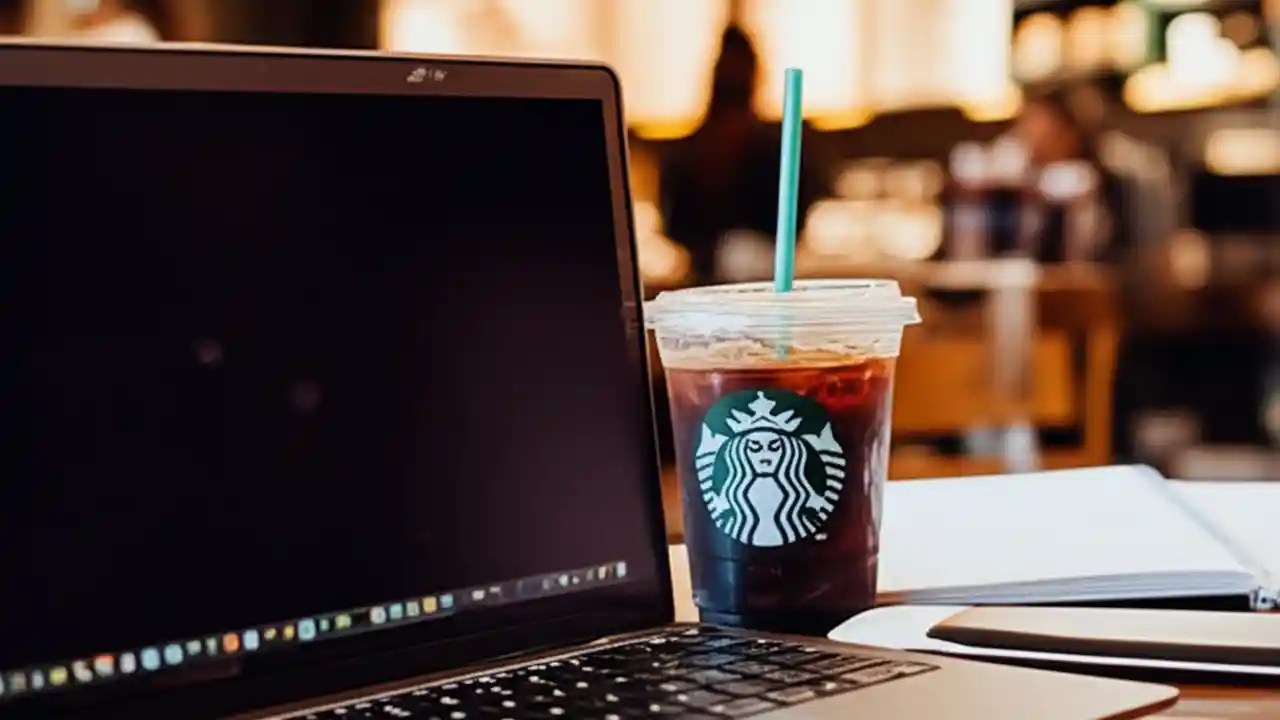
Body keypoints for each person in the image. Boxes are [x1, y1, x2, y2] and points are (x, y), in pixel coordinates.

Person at [659, 25, 825, 283]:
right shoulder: (686, 154)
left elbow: (798, 215)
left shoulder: (779, 149)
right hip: (704, 285)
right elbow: (674, 224)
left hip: (764, 284)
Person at [1011, 89, 1125, 263]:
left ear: (1068, 131)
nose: (1024, 132)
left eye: (1035, 122)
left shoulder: (1094, 183)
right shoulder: (1024, 185)